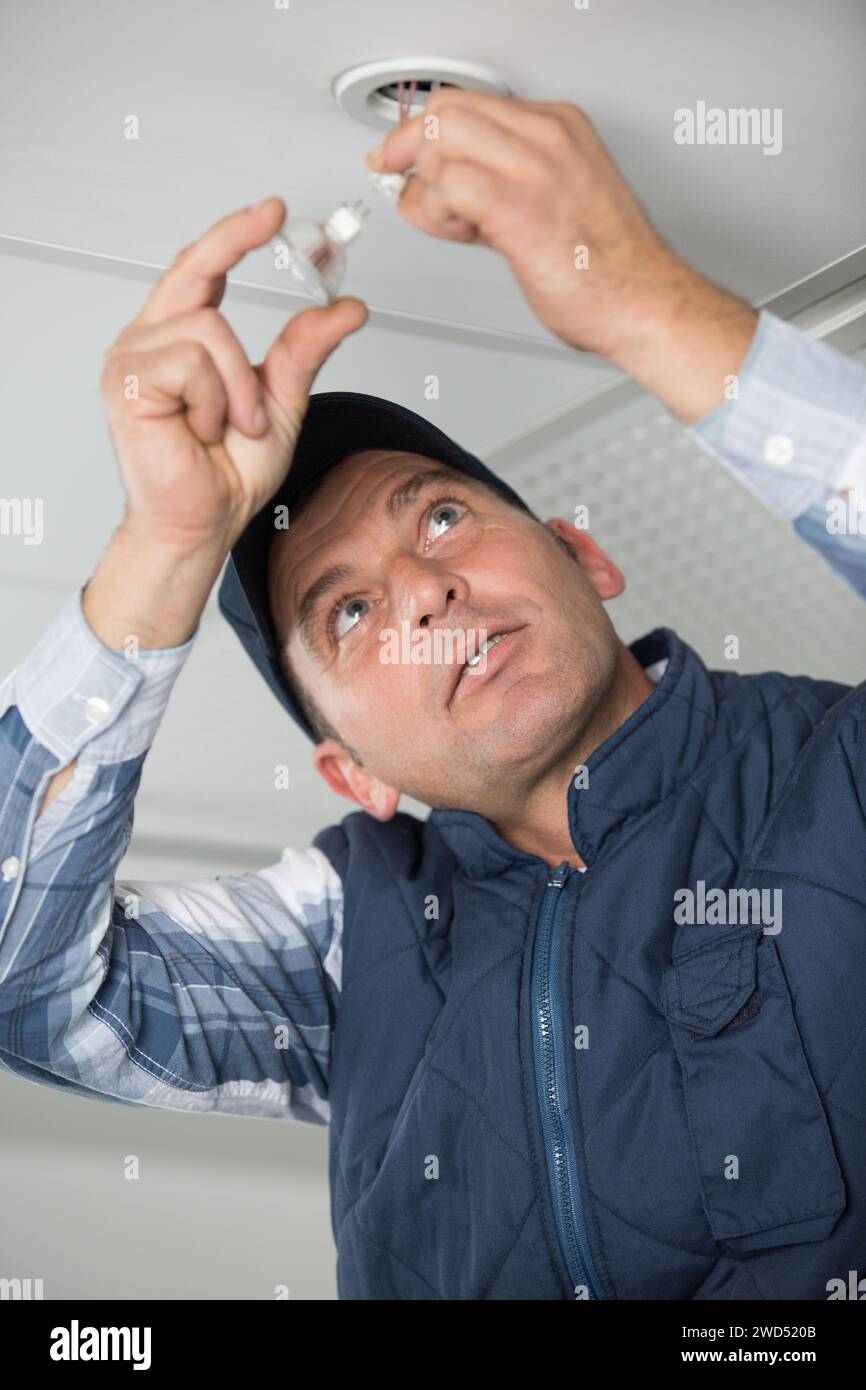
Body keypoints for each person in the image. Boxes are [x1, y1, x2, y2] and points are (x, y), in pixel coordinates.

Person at [1, 92, 864, 1301]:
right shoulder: (346, 943)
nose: (419, 590)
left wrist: (639, 301)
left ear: (582, 556)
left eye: (443, 516)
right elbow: (24, 983)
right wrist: (165, 547)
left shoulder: (835, 773)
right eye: (347, 613)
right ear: (352, 774)